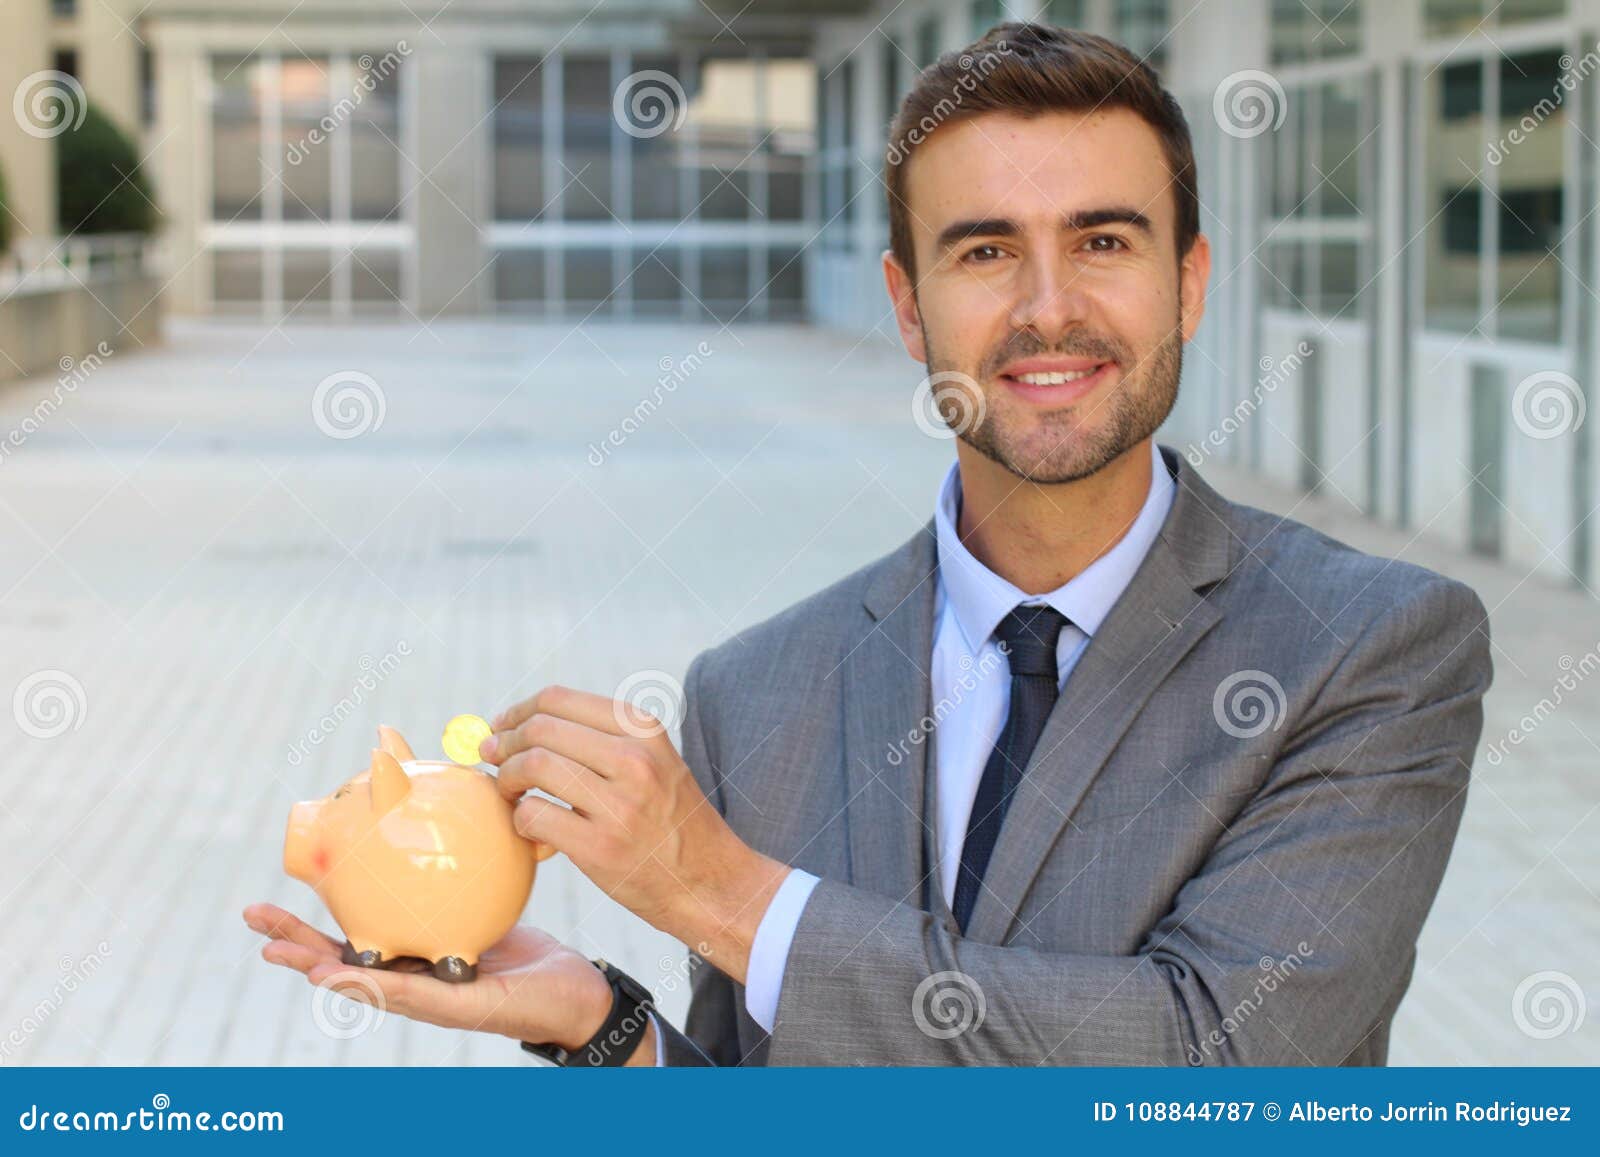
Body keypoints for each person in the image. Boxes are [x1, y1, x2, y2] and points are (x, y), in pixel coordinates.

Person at [245, 23, 1492, 1067]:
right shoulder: (754, 693)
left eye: (1103, 242)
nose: (1048, 307)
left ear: (1189, 283)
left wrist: (723, 893)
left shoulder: (1367, 650)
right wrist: (601, 1024)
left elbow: (1214, 1060)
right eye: (985, 250)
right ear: (907, 306)